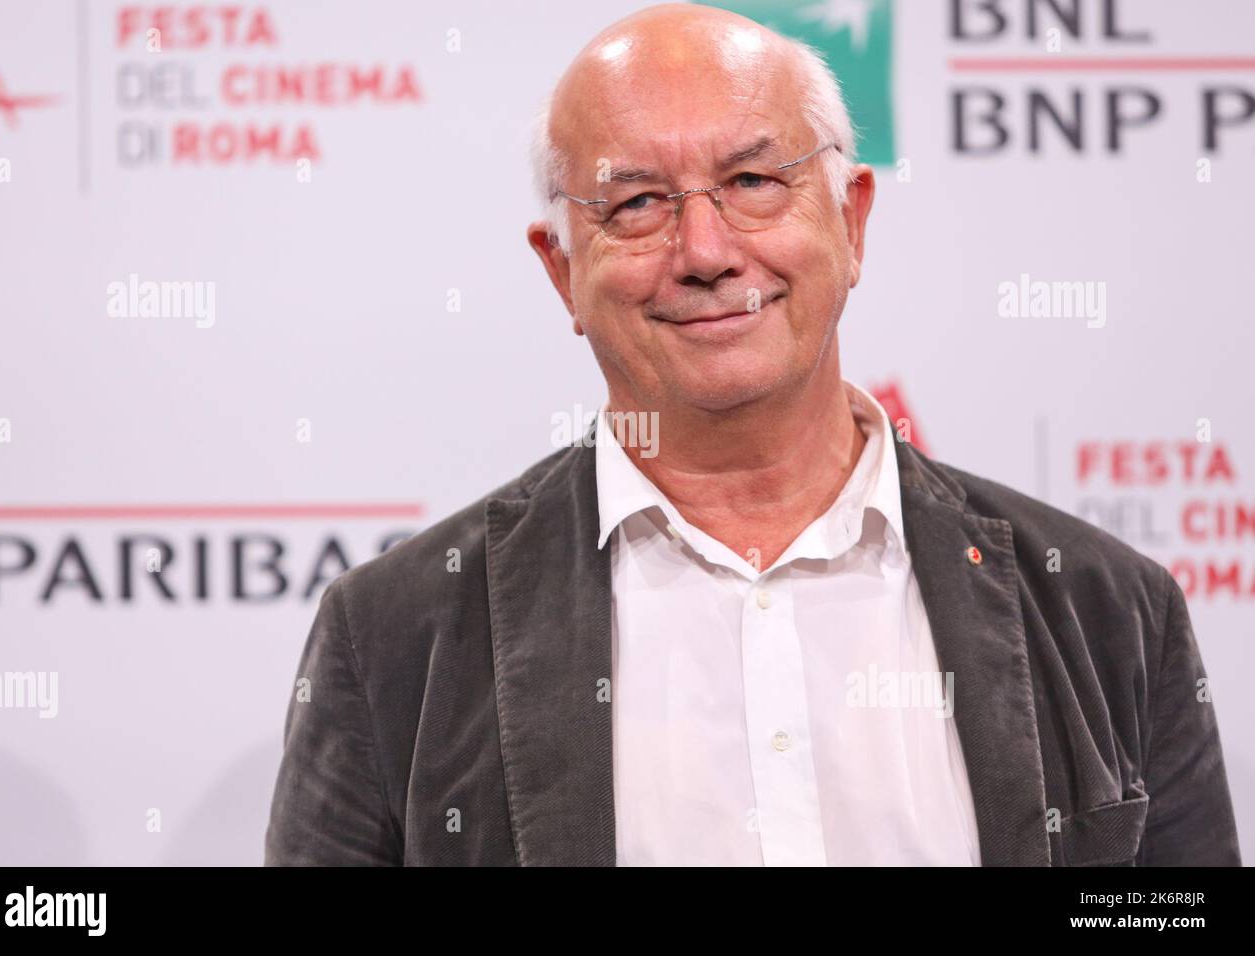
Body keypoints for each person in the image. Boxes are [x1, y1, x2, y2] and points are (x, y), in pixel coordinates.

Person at [264, 3, 1240, 866]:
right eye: (636, 202)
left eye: (754, 180)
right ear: (562, 269)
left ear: (851, 221)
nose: (704, 250)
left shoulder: (1107, 608)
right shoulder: (395, 633)